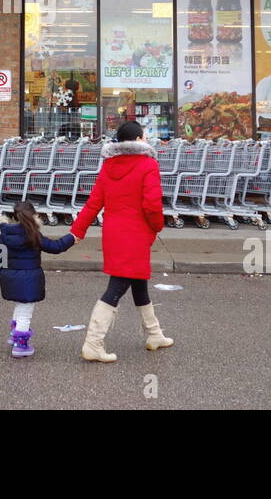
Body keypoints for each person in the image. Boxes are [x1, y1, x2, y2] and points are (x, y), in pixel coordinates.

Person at [70, 121, 173, 363]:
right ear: (138, 140)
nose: (146, 139)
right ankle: (93, 343)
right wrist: (157, 225)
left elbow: (94, 202)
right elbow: (152, 203)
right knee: (116, 289)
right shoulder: (148, 164)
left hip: (114, 233)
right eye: (144, 135)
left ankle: (154, 334)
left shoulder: (108, 166)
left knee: (139, 284)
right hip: (136, 235)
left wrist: (77, 231)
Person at [0, 200, 76, 358]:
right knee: (25, 312)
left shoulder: (3, 235)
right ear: (33, 216)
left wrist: (3, 278)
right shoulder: (33, 235)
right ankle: (20, 346)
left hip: (10, 277)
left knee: (20, 306)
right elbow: (56, 247)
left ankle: (14, 335)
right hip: (29, 280)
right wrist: (72, 238)